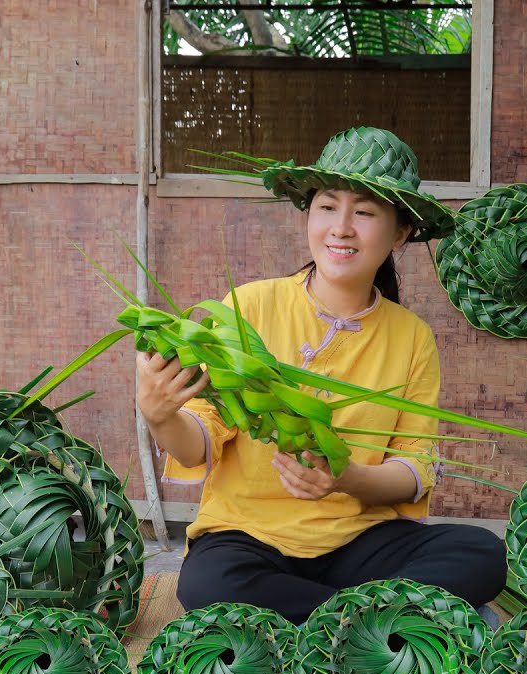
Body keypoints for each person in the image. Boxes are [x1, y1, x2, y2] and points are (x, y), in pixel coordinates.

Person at [137, 126, 506, 624]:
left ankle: (324, 620)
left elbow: (413, 468)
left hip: (359, 542)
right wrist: (160, 416)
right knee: (209, 582)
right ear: (309, 214)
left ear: (400, 233)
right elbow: (199, 440)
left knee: (484, 553)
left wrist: (346, 479)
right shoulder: (250, 306)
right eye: (328, 206)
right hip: (250, 536)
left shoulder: (411, 336)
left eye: (365, 213)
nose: (342, 227)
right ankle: (377, 621)